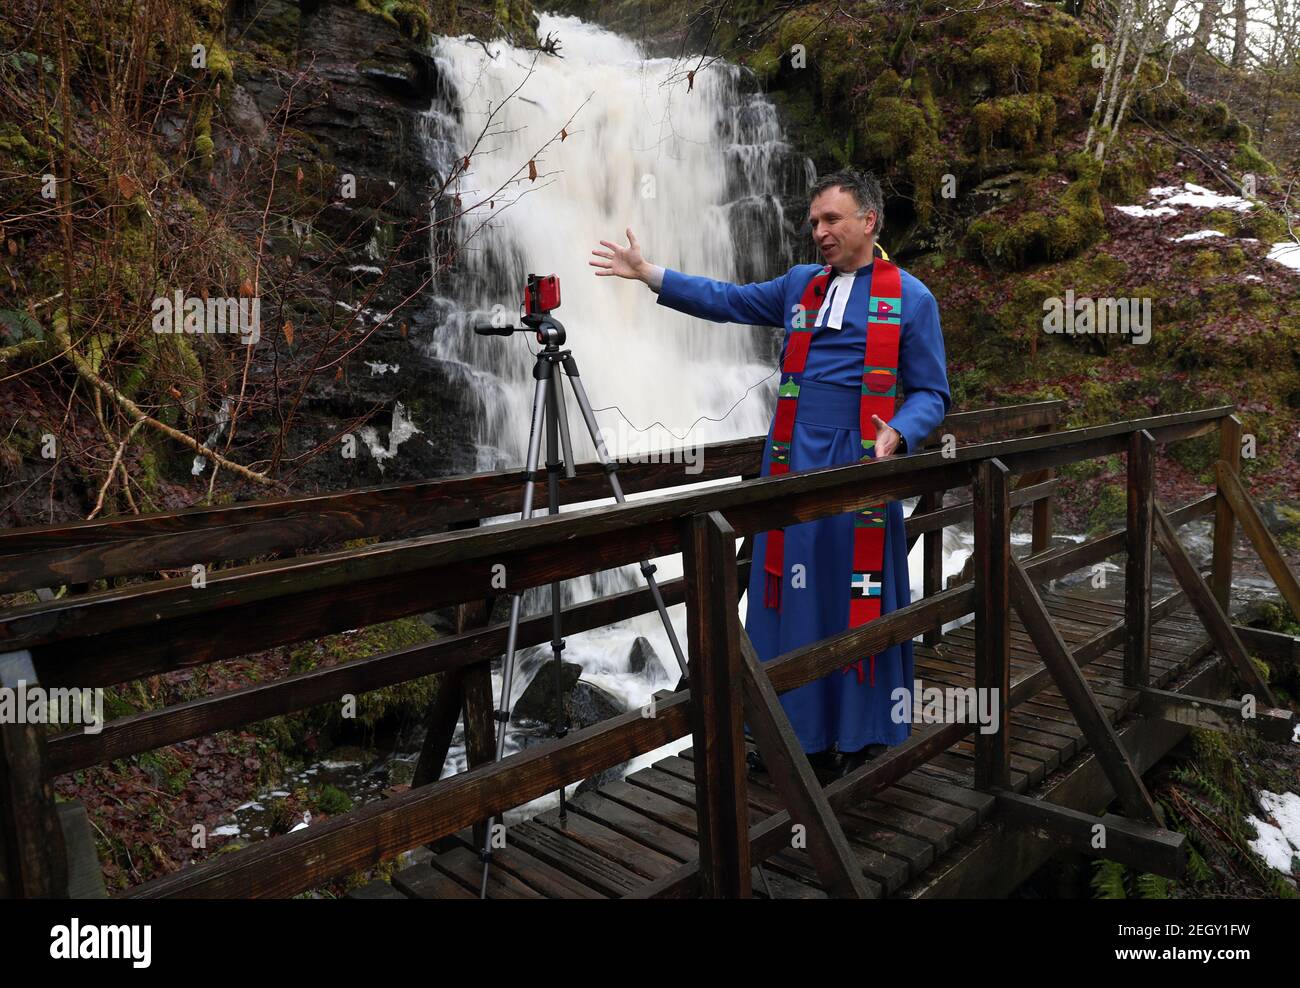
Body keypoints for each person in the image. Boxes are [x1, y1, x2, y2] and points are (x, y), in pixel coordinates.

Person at [590, 169, 951, 777]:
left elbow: (932, 393)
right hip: (788, 464)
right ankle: (793, 733)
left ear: (869, 221)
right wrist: (649, 274)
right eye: (814, 222)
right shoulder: (799, 286)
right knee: (789, 598)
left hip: (858, 469)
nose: (819, 232)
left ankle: (858, 734)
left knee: (852, 596)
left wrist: (900, 430)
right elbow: (728, 301)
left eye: (831, 220)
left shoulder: (912, 299)